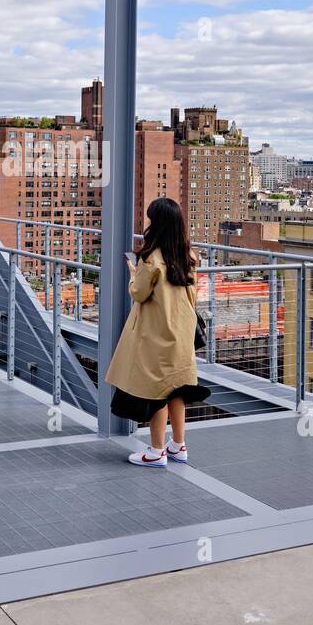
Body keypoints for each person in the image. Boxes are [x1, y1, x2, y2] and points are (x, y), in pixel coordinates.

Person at [105, 197, 211, 468]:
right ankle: (178, 446)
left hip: (157, 331)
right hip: (183, 329)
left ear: (158, 224)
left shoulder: (151, 258)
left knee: (157, 392)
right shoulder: (189, 255)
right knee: (178, 389)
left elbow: (138, 293)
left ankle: (155, 451)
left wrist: (133, 272)